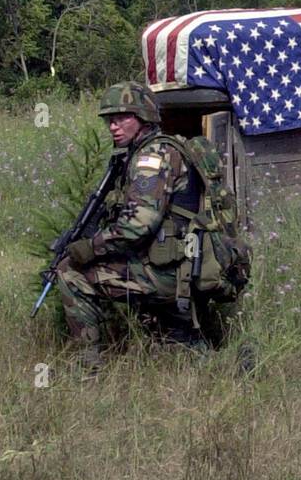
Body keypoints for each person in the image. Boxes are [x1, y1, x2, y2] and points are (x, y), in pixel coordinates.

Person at [56, 81, 209, 370]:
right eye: (109, 120)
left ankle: (87, 367)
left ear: (144, 117)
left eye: (121, 118)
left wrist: (89, 248)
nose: (113, 127)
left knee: (70, 273)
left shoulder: (152, 157)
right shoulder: (157, 149)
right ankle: (214, 357)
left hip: (171, 272)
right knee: (180, 351)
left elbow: (136, 227)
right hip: (182, 265)